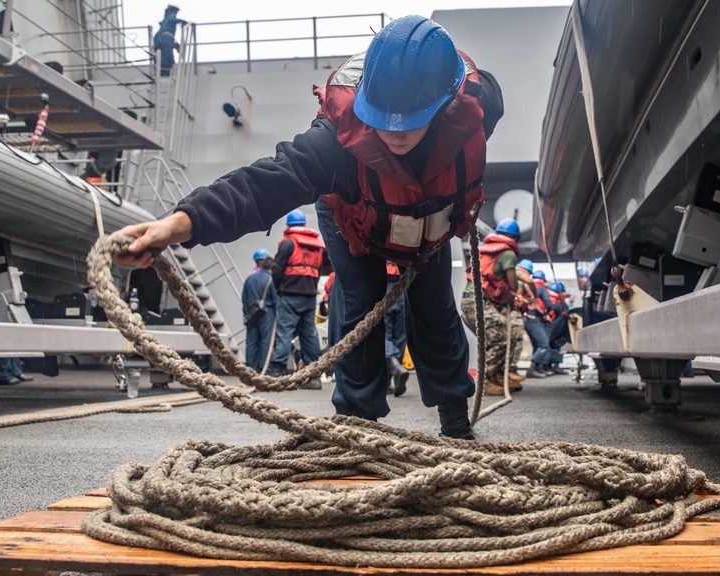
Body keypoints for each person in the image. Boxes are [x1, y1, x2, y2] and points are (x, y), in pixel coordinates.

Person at [116, 15, 504, 439]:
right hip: (356, 216)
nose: (393, 131)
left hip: (428, 222)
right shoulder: (336, 144)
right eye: (382, 117)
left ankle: (454, 416)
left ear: (445, 104)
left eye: (408, 119)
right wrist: (176, 225)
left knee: (435, 305)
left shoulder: (479, 105)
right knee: (359, 303)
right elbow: (266, 185)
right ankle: (358, 424)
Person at [460, 219, 526, 396]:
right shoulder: (507, 253)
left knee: (500, 335)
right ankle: (486, 380)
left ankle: (497, 376)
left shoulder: (487, 250)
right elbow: (513, 284)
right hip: (477, 302)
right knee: (501, 337)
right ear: (515, 238)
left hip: (471, 301)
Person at [269, 210, 323, 389]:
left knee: (284, 332)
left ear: (288, 225)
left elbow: (277, 269)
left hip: (290, 294)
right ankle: (314, 377)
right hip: (309, 296)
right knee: (309, 334)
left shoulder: (288, 243)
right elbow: (317, 271)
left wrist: (279, 288)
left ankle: (278, 372)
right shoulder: (315, 245)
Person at [241, 248, 277, 371]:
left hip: (251, 313)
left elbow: (244, 298)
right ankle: (264, 370)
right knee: (266, 342)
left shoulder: (249, 278)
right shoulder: (271, 279)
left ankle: (250, 369)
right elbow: (276, 300)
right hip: (267, 314)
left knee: (251, 342)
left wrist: (246, 312)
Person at [383, 261, 409, 397]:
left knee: (384, 336)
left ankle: (394, 369)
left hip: (383, 289)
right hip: (402, 290)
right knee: (400, 338)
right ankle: (393, 377)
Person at [154, 5, 186, 77]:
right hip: (167, 39)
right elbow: (172, 20)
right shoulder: (171, 16)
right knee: (168, 57)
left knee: (165, 56)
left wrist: (175, 44)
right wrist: (182, 21)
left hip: (164, 39)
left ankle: (163, 72)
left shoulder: (165, 21)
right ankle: (165, 73)